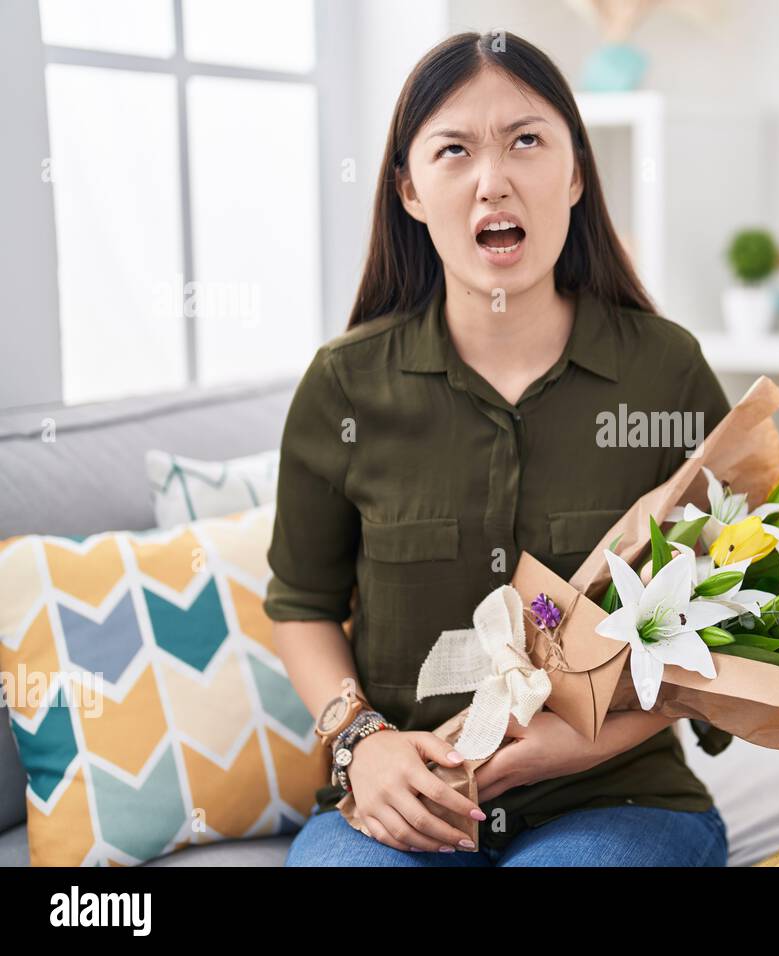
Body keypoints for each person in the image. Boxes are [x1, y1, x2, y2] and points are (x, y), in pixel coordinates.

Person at [268, 30, 734, 867]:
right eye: (455, 150)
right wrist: (360, 741)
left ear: (576, 174)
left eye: (526, 140)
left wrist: (580, 744)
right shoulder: (344, 386)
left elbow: (726, 615)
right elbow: (303, 604)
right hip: (402, 803)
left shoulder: (666, 372)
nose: (494, 180)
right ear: (410, 191)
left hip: (620, 799)